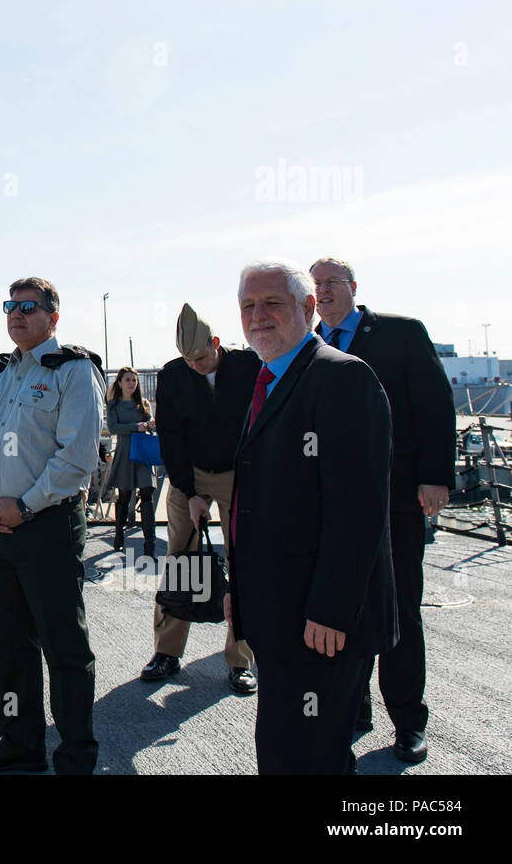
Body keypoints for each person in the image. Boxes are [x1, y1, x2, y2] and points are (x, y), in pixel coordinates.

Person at [227, 260, 396, 774]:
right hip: (279, 614)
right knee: (283, 749)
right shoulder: (271, 378)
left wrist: (331, 608)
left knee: (308, 757)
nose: (258, 316)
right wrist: (242, 589)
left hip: (320, 625)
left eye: (271, 303)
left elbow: (358, 510)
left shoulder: (341, 377)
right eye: (248, 306)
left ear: (306, 308)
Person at [311, 257, 454, 763]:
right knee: (341, 605)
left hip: (396, 497)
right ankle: (354, 710)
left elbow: (436, 403)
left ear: (353, 287)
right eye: (317, 284)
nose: (323, 291)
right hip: (331, 503)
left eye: (331, 282)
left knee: (399, 609)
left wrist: (436, 475)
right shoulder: (310, 345)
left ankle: (409, 720)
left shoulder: (401, 333)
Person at [0, 278, 105, 774]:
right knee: (9, 645)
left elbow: (78, 456)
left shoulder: (73, 371)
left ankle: (75, 757)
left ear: (53, 318)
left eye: (29, 307)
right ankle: (21, 744)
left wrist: (24, 506)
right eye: (10, 306)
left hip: (46, 526)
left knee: (64, 646)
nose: (16, 314)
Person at [141, 304, 259, 692]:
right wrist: (190, 493)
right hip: (189, 474)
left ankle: (241, 660)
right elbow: (170, 438)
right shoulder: (173, 377)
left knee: (245, 564)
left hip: (239, 476)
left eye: (202, 357)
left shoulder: (248, 367)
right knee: (182, 561)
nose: (196, 365)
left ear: (217, 344)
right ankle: (167, 653)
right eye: (188, 359)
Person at [105, 367, 156, 555]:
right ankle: (118, 535)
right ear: (119, 383)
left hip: (142, 454)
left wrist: (150, 423)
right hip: (125, 453)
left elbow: (149, 423)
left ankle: (149, 544)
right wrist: (137, 426)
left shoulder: (143, 404)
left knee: (147, 496)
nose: (131, 384)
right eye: (127, 380)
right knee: (124, 497)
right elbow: (113, 428)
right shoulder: (113, 406)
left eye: (134, 380)